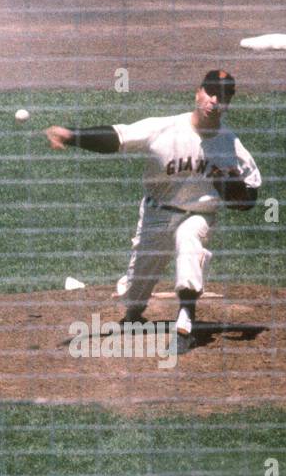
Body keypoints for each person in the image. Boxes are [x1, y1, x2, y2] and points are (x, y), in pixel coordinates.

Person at [45, 69, 262, 348]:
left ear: (228, 102)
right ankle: (135, 311)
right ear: (197, 92)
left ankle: (185, 322)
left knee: (189, 240)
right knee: (136, 291)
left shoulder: (231, 146)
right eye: (210, 92)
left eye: (222, 96)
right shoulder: (165, 128)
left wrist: (235, 193)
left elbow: (250, 197)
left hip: (199, 214)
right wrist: (71, 136)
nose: (214, 101)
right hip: (156, 214)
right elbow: (118, 138)